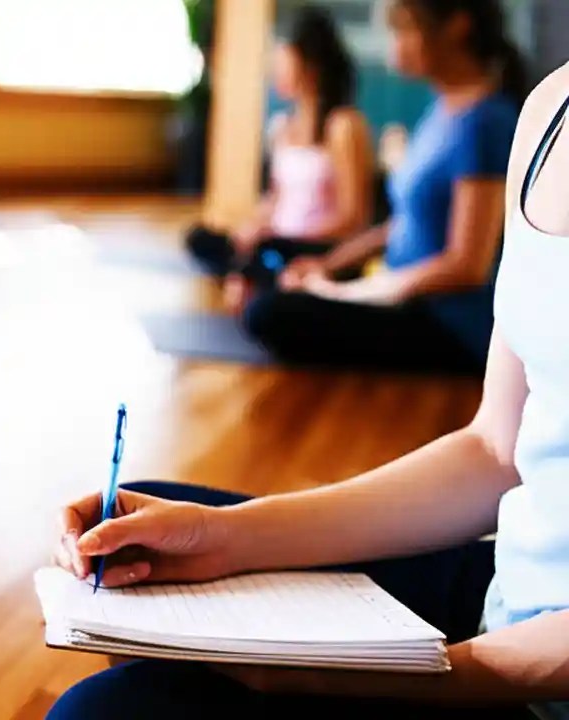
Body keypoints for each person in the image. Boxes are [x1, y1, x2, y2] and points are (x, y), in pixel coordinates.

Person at [48, 17, 569, 720]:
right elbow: (496, 449)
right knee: (145, 542)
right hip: (509, 588)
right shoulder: (548, 113)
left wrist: (382, 677)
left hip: (540, 673)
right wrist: (225, 537)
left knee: (103, 714)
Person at [240, 0, 523, 375]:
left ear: (457, 26)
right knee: (281, 276)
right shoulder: (441, 109)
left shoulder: (487, 121)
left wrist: (357, 291)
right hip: (396, 292)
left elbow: (467, 265)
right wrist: (328, 264)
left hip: (445, 324)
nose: (396, 44)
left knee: (268, 312)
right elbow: (403, 224)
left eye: (406, 29)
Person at [186, 6, 373, 309]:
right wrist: (253, 226)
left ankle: (256, 274)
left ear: (309, 64)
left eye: (283, 59)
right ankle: (257, 271)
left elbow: (354, 217)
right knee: (201, 239)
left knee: (264, 255)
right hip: (277, 240)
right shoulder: (283, 128)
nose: (276, 68)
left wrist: (282, 235)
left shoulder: (343, 126)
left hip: (313, 245)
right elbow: (276, 199)